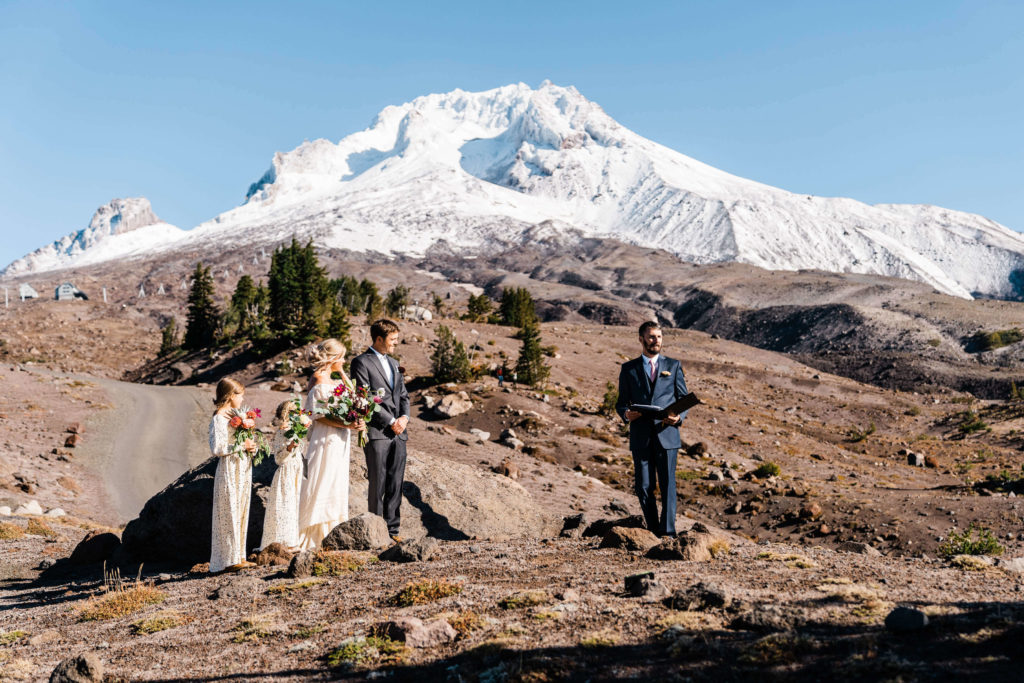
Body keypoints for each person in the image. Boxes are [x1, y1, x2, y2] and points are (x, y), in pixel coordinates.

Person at [616, 321, 689, 537]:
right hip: (641, 437)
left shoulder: (673, 366)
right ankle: (653, 529)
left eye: (658, 336)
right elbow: (621, 402)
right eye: (650, 336)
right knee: (644, 486)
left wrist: (678, 417)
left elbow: (683, 398)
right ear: (641, 339)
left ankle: (667, 532)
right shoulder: (628, 369)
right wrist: (626, 414)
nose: (655, 340)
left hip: (667, 435)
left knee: (667, 486)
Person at [296, 339, 365, 550]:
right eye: (342, 356)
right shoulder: (317, 379)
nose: (345, 360)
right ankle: (313, 534)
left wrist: (357, 419)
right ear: (333, 358)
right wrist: (346, 423)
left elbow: (354, 397)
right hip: (325, 438)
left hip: (340, 439)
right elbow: (314, 414)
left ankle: (333, 529)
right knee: (322, 478)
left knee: (336, 479)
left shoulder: (335, 380)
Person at [350, 319, 411, 543]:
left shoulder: (395, 363)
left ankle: (393, 531)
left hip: (399, 432)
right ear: (379, 339)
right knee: (378, 482)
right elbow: (363, 398)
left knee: (396, 482)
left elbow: (403, 395)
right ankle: (375, 531)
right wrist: (391, 419)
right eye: (392, 339)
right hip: (377, 431)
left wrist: (404, 418)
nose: (396, 343)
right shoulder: (361, 363)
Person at [209, 377, 255, 572]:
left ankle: (239, 555)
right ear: (230, 396)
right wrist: (240, 446)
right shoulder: (219, 418)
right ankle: (228, 558)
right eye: (240, 395)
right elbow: (217, 448)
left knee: (241, 508)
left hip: (242, 466)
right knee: (230, 509)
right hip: (229, 467)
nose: (243, 399)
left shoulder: (237, 415)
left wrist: (251, 446)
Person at [259, 400, 304, 552]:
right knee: (285, 506)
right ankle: (283, 541)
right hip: (286, 472)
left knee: (293, 505)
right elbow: (278, 458)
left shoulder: (295, 430)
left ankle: (292, 539)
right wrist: (289, 448)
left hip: (296, 471)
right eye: (293, 413)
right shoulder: (281, 432)